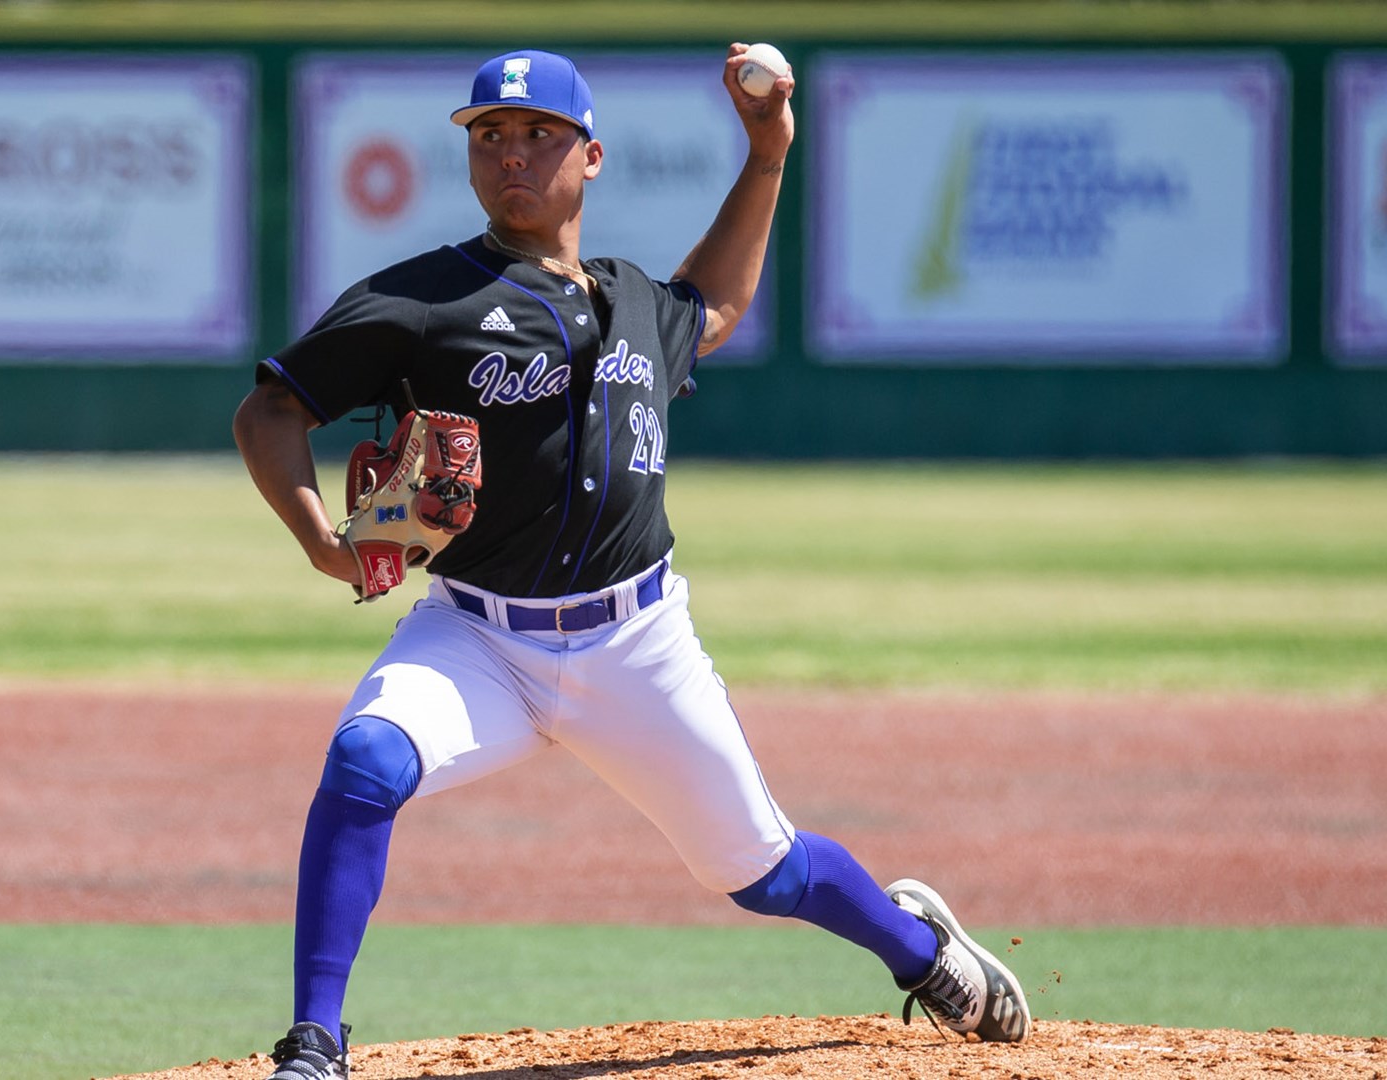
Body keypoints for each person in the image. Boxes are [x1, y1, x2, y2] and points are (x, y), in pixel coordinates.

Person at [231, 45, 1029, 1080]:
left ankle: (923, 952)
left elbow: (719, 304)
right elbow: (272, 410)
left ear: (591, 155)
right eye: (489, 135)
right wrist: (324, 545)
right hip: (476, 636)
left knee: (765, 873)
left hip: (638, 643)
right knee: (364, 763)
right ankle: (314, 1041)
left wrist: (768, 154)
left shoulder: (638, 305)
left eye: (539, 134)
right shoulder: (422, 299)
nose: (511, 153)